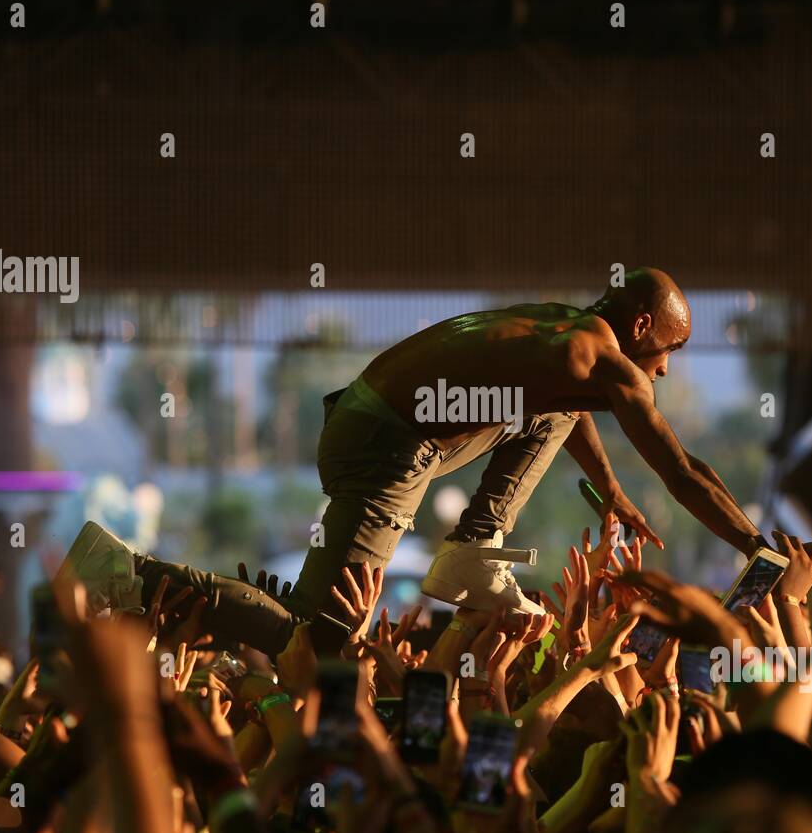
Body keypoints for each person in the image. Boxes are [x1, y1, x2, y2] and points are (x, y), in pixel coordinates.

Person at [57, 267, 764, 657]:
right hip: (389, 444)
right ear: (642, 326)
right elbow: (683, 471)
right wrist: (759, 550)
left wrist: (607, 486)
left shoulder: (565, 335)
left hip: (367, 419)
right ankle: (126, 572)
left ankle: (475, 547)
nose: (663, 371)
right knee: (319, 635)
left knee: (555, 407)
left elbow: (565, 407)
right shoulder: (606, 361)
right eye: (669, 351)